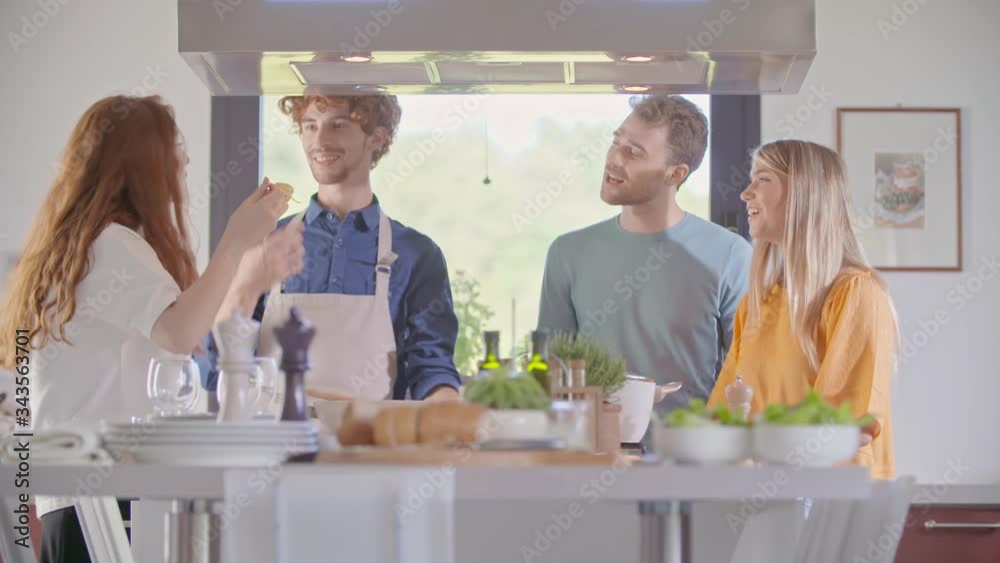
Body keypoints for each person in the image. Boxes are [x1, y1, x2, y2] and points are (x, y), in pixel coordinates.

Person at [0, 95, 293, 562]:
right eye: (174, 146)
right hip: (102, 503)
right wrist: (237, 240)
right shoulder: (114, 246)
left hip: (77, 503)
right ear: (142, 164)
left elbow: (183, 331)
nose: (185, 159)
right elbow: (177, 335)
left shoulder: (82, 245)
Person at [214, 93, 461, 402]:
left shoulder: (417, 255)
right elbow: (218, 362)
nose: (319, 140)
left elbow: (431, 365)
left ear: (377, 138)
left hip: (370, 444)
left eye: (338, 125)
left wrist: (447, 407)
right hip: (270, 443)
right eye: (310, 126)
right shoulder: (267, 241)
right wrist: (244, 284)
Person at [538, 94, 752, 416]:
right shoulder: (567, 253)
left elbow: (746, 372)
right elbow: (553, 373)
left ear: (675, 174)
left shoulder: (730, 255)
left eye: (633, 153)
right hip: (591, 452)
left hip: (694, 454)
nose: (614, 159)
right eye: (616, 142)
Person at [707, 139, 898, 479]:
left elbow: (848, 427)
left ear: (804, 194)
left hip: (829, 507)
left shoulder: (855, 295)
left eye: (763, 179)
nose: (745, 193)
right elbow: (724, 417)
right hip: (762, 496)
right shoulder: (756, 306)